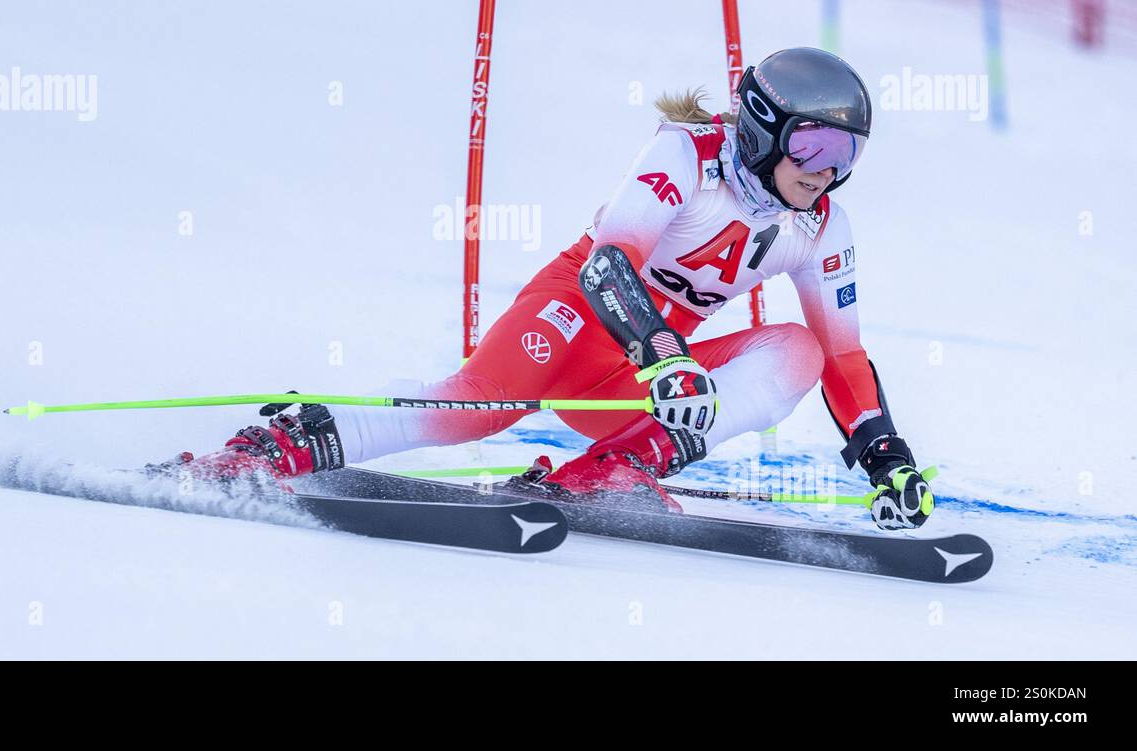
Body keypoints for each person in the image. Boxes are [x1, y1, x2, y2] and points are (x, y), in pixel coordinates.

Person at [166, 47, 933, 531]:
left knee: (798, 349)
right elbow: (608, 265)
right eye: (813, 144)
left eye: (846, 152)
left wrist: (885, 455)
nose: (826, 168)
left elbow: (845, 356)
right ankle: (292, 437)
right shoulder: (688, 155)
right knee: (479, 407)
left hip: (634, 374)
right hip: (583, 308)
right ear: (765, 129)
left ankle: (611, 470)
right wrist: (668, 356)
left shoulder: (823, 227)